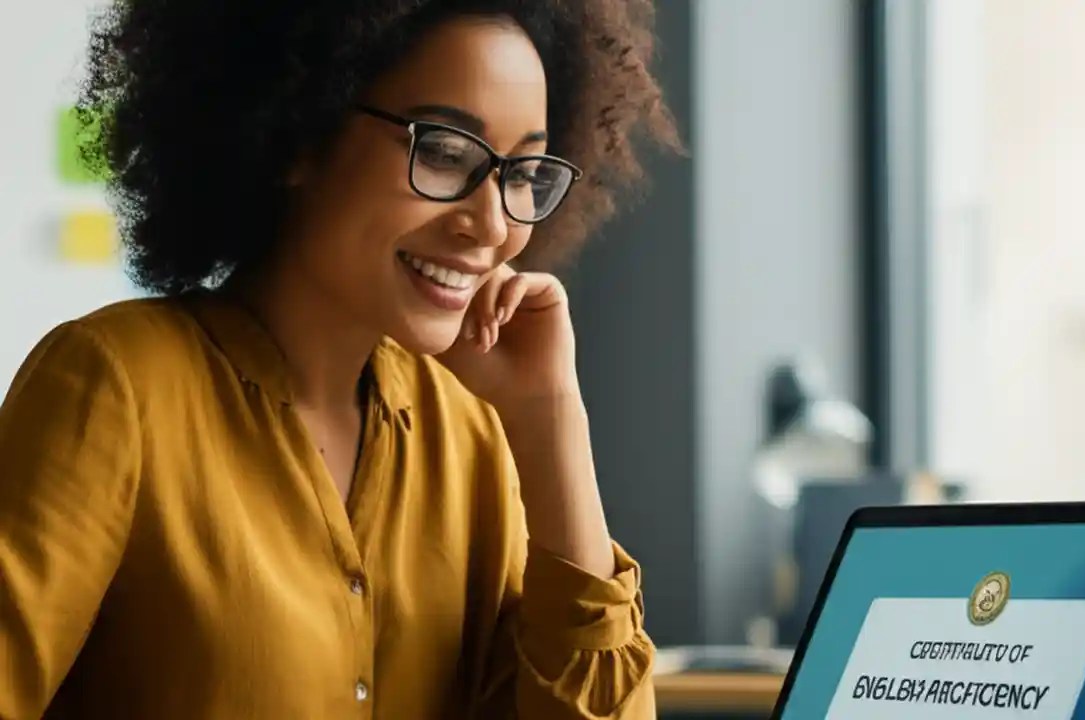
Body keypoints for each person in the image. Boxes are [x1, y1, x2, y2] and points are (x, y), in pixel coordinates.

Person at [0, 0, 680, 717]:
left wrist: (552, 426)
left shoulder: (471, 438)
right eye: (446, 152)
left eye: (522, 174)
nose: (493, 223)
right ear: (302, 134)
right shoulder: (115, 387)